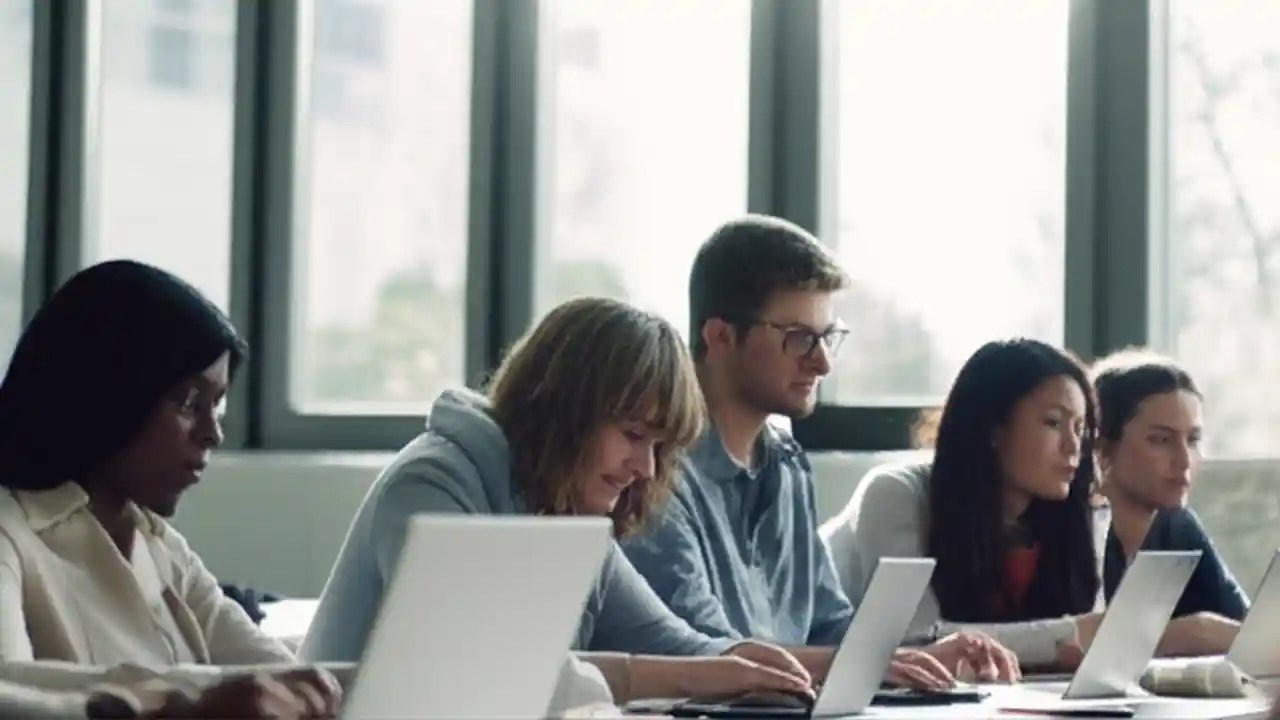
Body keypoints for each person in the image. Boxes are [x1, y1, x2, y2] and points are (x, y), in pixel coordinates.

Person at [301, 297, 815, 704]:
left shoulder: (562, 505)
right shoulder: (431, 485)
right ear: (564, 412)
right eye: (634, 434)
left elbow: (671, 644)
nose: (647, 469)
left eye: (658, 447)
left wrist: (740, 659)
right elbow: (487, 672)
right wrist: (697, 675)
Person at [620, 215, 1017, 688]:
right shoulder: (652, 467)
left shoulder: (786, 463)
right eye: (799, 338)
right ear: (720, 337)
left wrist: (919, 657)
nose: (822, 361)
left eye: (828, 337)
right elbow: (708, 653)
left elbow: (829, 625)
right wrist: (864, 666)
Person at [0, 260, 340, 716]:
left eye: (216, 407)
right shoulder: (10, 533)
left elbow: (273, 673)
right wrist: (174, 707)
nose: (212, 434)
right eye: (190, 403)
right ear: (110, 392)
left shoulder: (163, 550)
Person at [832, 338, 1236, 671]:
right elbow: (915, 641)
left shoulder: (1084, 510)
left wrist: (1090, 636)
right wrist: (1086, 633)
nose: (1073, 446)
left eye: (1080, 428)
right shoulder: (897, 493)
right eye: (1053, 422)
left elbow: (1080, 654)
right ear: (993, 428)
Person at [1092, 349, 1245, 646]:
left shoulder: (1179, 528)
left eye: (1193, 440)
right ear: (1103, 448)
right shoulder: (1071, 530)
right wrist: (1188, 635)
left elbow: (1250, 634)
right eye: (1161, 440)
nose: (1184, 461)